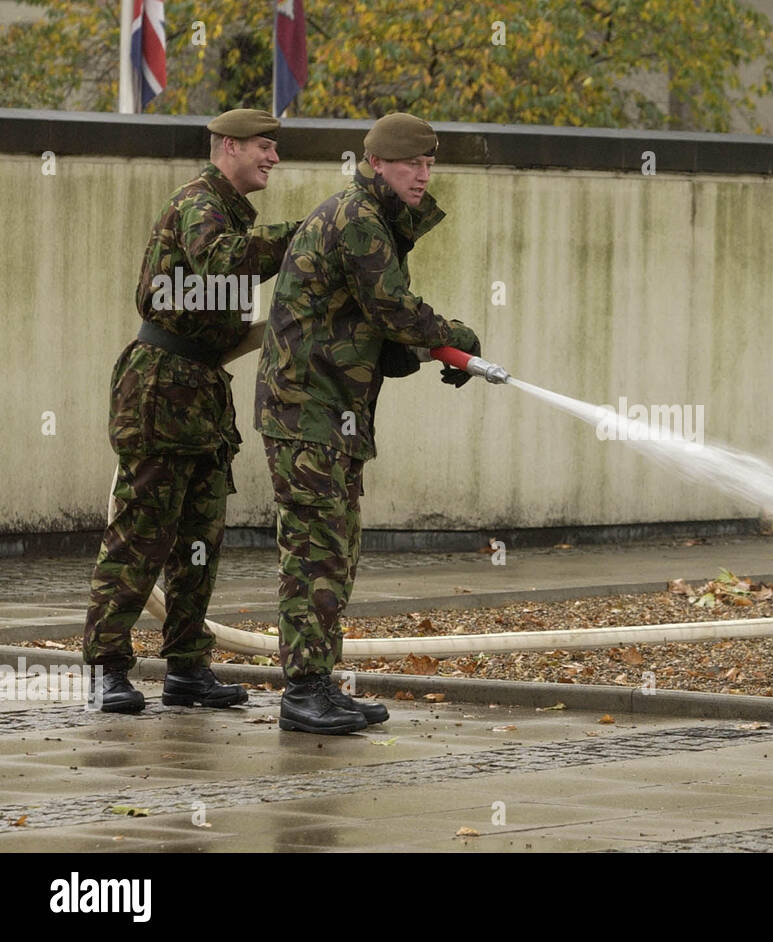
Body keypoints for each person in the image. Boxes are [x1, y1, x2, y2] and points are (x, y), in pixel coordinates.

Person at [255, 112, 482, 734]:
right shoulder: (357, 218)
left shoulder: (371, 218)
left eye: (431, 163)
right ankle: (303, 694)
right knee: (314, 553)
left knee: (336, 549)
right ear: (377, 163)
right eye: (412, 163)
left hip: (332, 414)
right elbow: (392, 308)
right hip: (308, 412)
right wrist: (452, 337)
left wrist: (427, 352)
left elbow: (367, 331)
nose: (423, 175)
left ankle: (319, 685)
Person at [84, 109, 302, 713]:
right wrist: (303, 237)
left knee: (199, 540)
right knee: (139, 535)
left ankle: (186, 666)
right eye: (264, 146)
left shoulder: (230, 210)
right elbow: (223, 262)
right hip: (159, 391)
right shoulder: (199, 204)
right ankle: (106, 668)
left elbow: (219, 307)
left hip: (202, 391)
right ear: (228, 147)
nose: (273, 158)